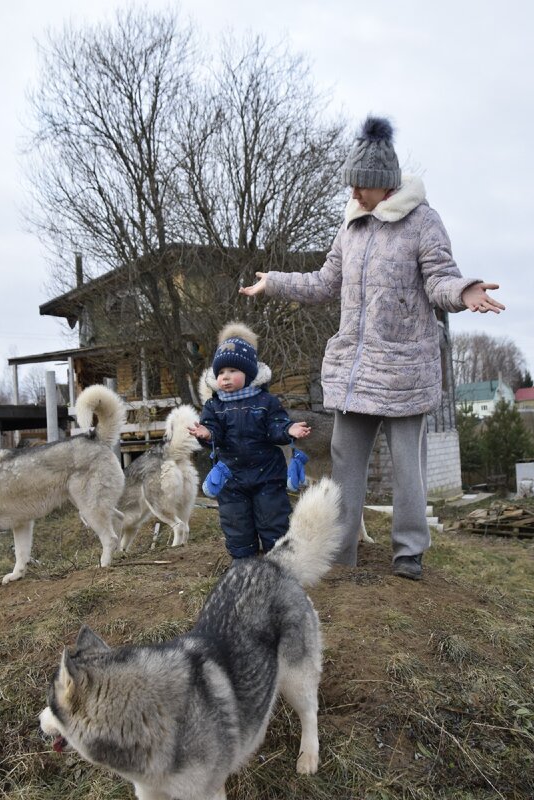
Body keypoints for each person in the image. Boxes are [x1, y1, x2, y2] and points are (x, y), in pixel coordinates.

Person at [240, 116, 504, 580]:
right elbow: (325, 283)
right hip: (355, 370)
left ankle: (409, 553)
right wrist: (275, 282)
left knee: (408, 471)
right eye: (352, 185)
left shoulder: (424, 223)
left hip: (404, 370)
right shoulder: (352, 227)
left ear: (384, 185)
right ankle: (340, 554)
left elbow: (440, 277)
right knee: (345, 464)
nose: (354, 194)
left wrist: (465, 292)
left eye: (361, 186)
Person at [188, 323, 312, 558]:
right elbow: (214, 431)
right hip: (231, 477)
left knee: (272, 518)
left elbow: (276, 426)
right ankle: (244, 562)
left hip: (267, 476)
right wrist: (206, 434)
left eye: (233, 371)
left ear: (249, 373)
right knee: (236, 522)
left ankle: (277, 561)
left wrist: (289, 429)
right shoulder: (214, 406)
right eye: (221, 372)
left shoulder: (266, 401)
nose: (225, 377)